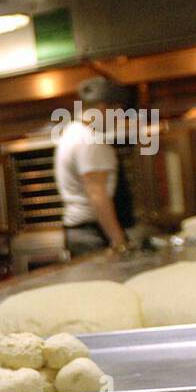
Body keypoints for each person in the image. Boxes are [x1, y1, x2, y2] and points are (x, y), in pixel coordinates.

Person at [55, 77, 135, 257]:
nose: (119, 119)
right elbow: (97, 193)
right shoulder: (90, 141)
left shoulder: (72, 132)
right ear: (103, 109)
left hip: (79, 232)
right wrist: (119, 240)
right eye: (119, 112)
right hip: (92, 234)